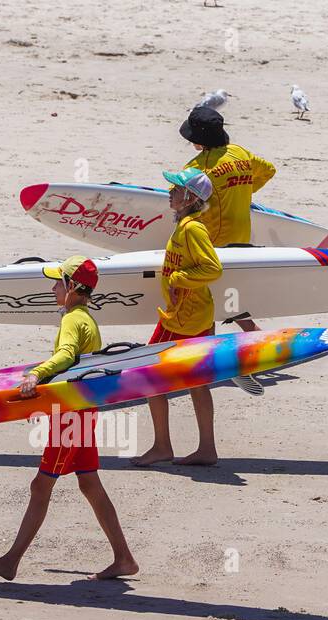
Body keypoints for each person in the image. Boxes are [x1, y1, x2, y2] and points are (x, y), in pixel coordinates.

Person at [0, 256, 139, 581]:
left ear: (74, 288)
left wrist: (35, 376)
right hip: (81, 410)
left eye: (57, 282)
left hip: (71, 416)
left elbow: (64, 357)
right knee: (89, 483)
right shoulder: (85, 319)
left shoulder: (72, 320)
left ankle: (10, 561)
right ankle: (124, 558)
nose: (52, 288)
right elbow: (72, 366)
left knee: (41, 485)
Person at [131, 169, 223, 468]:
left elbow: (212, 269)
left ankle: (162, 446)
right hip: (191, 314)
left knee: (149, 376)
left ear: (191, 198)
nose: (170, 192)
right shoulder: (185, 225)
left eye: (176, 188)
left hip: (184, 318)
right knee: (198, 382)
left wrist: (179, 278)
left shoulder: (192, 229)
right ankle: (206, 449)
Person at [179, 105, 276, 335]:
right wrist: (243, 193)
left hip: (213, 241)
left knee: (206, 296)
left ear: (199, 139)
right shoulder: (240, 153)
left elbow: (185, 205)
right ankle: (255, 336)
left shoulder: (196, 168)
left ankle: (208, 348)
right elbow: (269, 170)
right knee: (226, 293)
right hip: (242, 236)